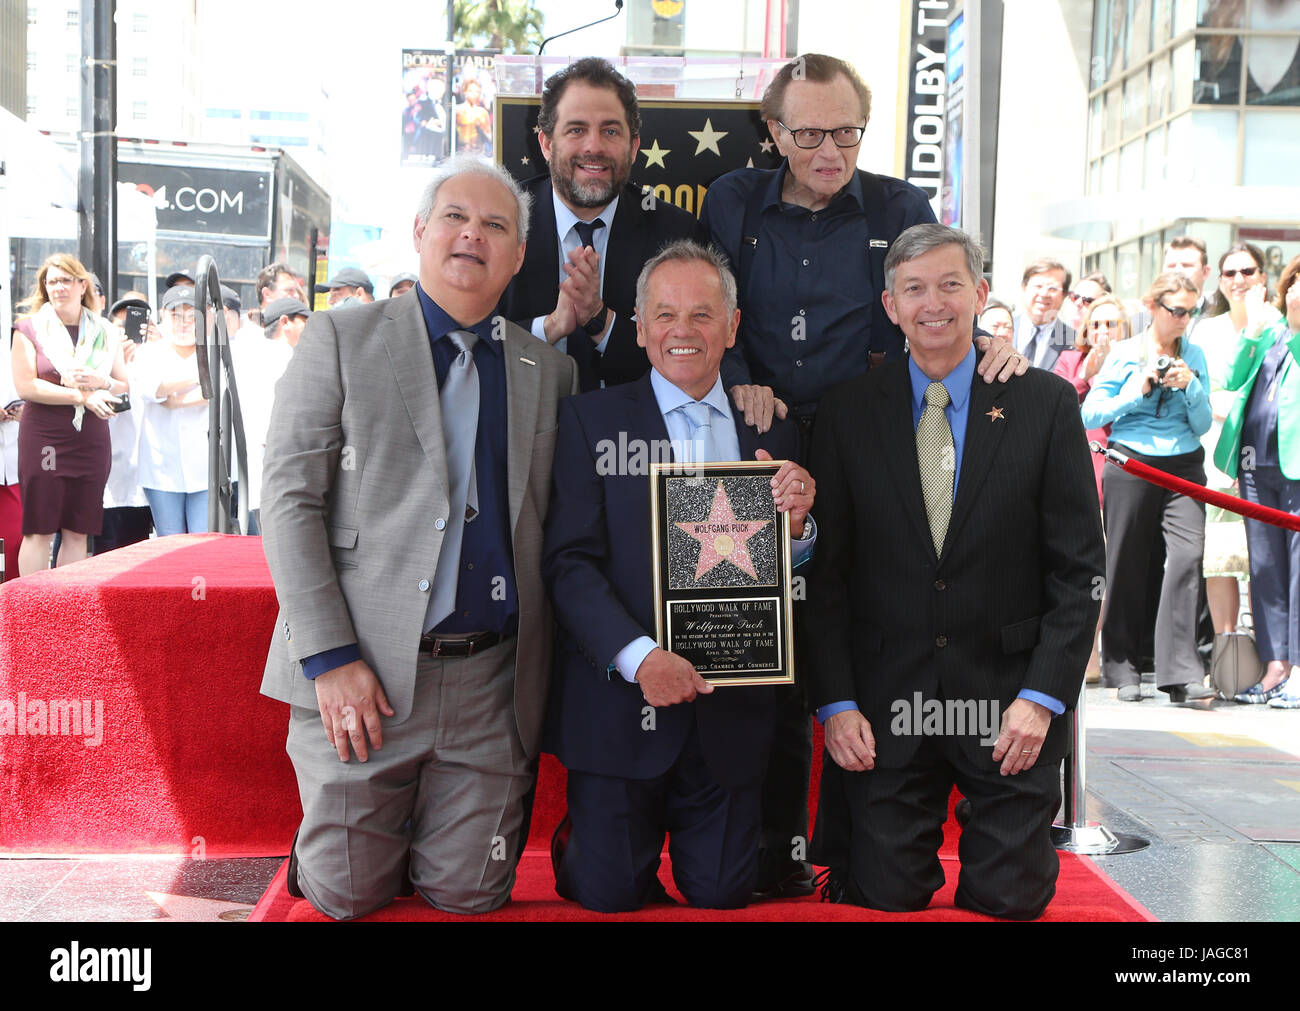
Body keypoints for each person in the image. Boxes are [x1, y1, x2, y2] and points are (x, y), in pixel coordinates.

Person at [698, 51, 1024, 898]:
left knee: (863, 620)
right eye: (807, 133)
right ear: (773, 133)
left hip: (870, 444)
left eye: (846, 130)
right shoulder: (734, 198)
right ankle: (767, 848)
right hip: (758, 439)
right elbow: (709, 303)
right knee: (760, 639)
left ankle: (845, 842)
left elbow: (934, 295)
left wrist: (990, 342)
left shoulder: (898, 203)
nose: (830, 150)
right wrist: (738, 374)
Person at [259, 155, 577, 920]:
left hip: (490, 681)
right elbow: (288, 500)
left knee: (471, 895)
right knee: (346, 893)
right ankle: (335, 852)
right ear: (420, 233)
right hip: (363, 669)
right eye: (455, 217)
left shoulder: (550, 372)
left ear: (518, 254)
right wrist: (331, 658)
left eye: (496, 224)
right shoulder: (340, 337)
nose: (473, 234)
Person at [805, 223, 1104, 920]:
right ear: (890, 305)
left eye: (949, 284)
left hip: (1007, 708)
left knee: (1009, 901)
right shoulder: (849, 412)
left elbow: (1078, 570)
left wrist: (1043, 698)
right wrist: (837, 703)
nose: (932, 302)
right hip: (888, 708)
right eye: (914, 288)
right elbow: (828, 577)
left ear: (980, 293)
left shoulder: (1046, 405)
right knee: (884, 894)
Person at [543, 239, 815, 911]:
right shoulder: (589, 420)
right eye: (665, 315)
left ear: (732, 325)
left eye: (702, 314)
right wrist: (640, 659)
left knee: (721, 893)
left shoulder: (775, 429)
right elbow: (568, 563)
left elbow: (796, 566)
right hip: (621, 705)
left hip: (730, 714)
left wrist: (801, 529)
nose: (683, 332)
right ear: (638, 328)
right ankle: (584, 837)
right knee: (607, 893)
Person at [498, 57, 706, 392]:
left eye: (610, 131)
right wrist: (549, 328)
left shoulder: (676, 235)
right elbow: (470, 339)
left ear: (633, 147)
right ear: (547, 144)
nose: (594, 147)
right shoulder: (501, 219)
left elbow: (688, 361)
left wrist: (600, 319)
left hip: (630, 438)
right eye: (577, 130)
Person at [1082, 272, 1215, 703]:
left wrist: (1190, 387)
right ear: (1153, 307)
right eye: (1176, 310)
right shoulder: (1123, 353)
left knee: (1187, 557)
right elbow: (1090, 413)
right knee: (1126, 563)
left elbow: (1201, 423)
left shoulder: (1195, 355)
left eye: (1190, 312)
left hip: (1183, 466)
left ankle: (1181, 671)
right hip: (1132, 462)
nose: (1183, 319)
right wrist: (1139, 389)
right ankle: (1122, 668)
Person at [1214, 252, 1300, 708]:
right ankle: (1274, 666)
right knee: (1265, 569)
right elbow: (1231, 376)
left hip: (1296, 467)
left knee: (1299, 567)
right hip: (1255, 464)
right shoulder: (1268, 330)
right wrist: (1252, 328)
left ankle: (1299, 669)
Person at [10, 254, 129, 575]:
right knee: (40, 529)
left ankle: (64, 610)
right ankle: (31, 611)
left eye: (65, 280)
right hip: (45, 437)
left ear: (82, 285)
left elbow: (123, 383)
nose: (58, 288)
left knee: (79, 529)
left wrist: (101, 382)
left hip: (90, 437)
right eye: (51, 282)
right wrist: (81, 396)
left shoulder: (105, 330)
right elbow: (26, 387)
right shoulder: (28, 329)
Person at [1197, 244, 1275, 642]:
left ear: (1263, 275)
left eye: (1248, 271)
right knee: (1221, 561)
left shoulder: (1281, 323)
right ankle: (1227, 654)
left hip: (1274, 461)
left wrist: (1233, 399)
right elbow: (1203, 394)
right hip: (1219, 457)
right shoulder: (1206, 330)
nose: (1239, 280)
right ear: (1219, 281)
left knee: (1268, 560)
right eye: (1230, 273)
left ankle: (1273, 652)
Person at [132, 285, 210, 536]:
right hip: (161, 466)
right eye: (177, 316)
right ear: (164, 316)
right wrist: (198, 377)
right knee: (170, 541)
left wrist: (177, 400)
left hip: (205, 467)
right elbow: (153, 389)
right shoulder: (148, 353)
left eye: (191, 316)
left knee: (202, 541)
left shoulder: (214, 351)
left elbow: (216, 393)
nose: (184, 323)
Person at [232, 297, 306, 535]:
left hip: (259, 474)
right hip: (278, 469)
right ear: (285, 322)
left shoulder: (249, 354)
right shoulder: (284, 356)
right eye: (305, 321)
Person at [98, 292, 159, 554]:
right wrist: (114, 362)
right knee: (106, 549)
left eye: (137, 325)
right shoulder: (101, 357)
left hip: (149, 474)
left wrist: (157, 347)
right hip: (111, 475)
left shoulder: (159, 356)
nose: (129, 333)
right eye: (121, 326)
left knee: (138, 550)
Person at [1013, 258, 1075, 372]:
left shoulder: (1074, 341)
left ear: (1064, 295)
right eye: (1038, 286)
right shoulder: (1001, 330)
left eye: (1052, 288)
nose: (1044, 294)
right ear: (1024, 288)